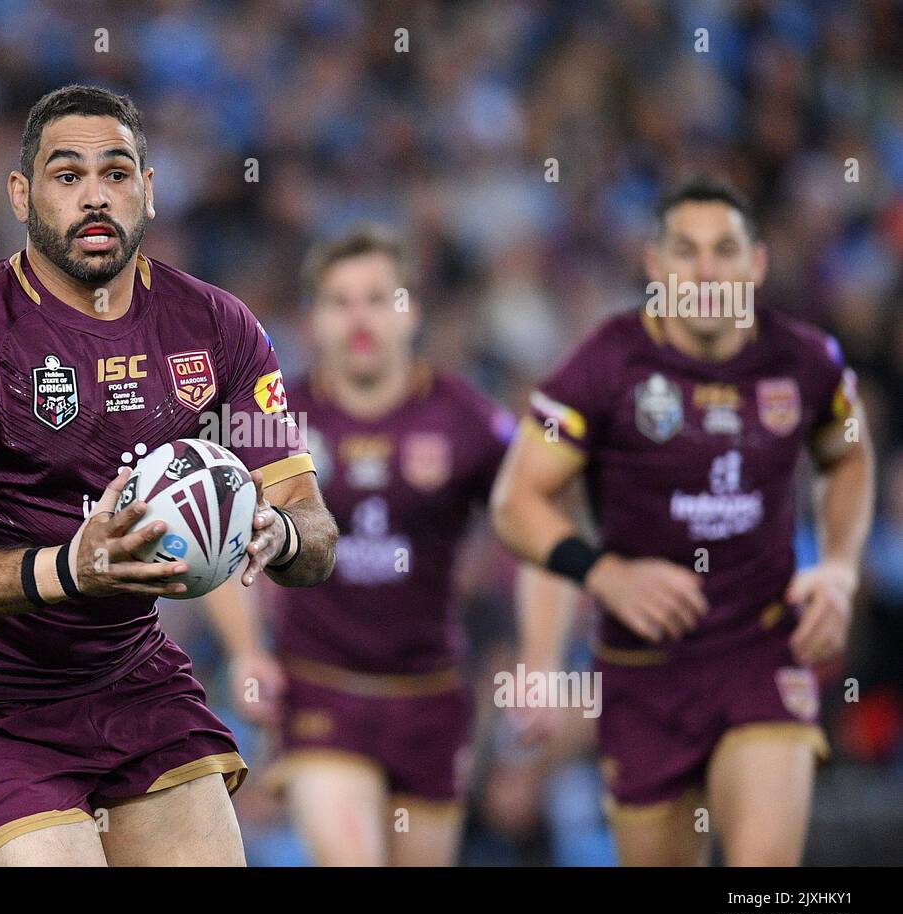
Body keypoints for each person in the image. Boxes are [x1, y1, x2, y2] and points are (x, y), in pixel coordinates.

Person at [0, 84, 337, 867]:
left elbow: (315, 526)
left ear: (149, 191)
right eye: (67, 175)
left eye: (117, 173)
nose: (95, 196)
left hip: (132, 682)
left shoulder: (219, 329)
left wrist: (278, 532)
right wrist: (69, 567)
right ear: (22, 194)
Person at [490, 178, 875, 866]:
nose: (705, 271)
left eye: (724, 250)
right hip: (644, 669)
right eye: (686, 251)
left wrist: (841, 570)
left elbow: (848, 458)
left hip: (761, 650)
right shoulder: (606, 362)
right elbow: (515, 502)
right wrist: (606, 575)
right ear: (655, 266)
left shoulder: (806, 361)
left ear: (756, 264)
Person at [204, 225, 573, 865]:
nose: (360, 318)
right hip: (321, 693)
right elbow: (213, 536)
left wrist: (542, 660)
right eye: (340, 301)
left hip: (431, 699)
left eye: (378, 298)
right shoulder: (274, 419)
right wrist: (244, 651)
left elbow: (543, 531)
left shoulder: (466, 419)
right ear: (314, 318)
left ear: (412, 312)